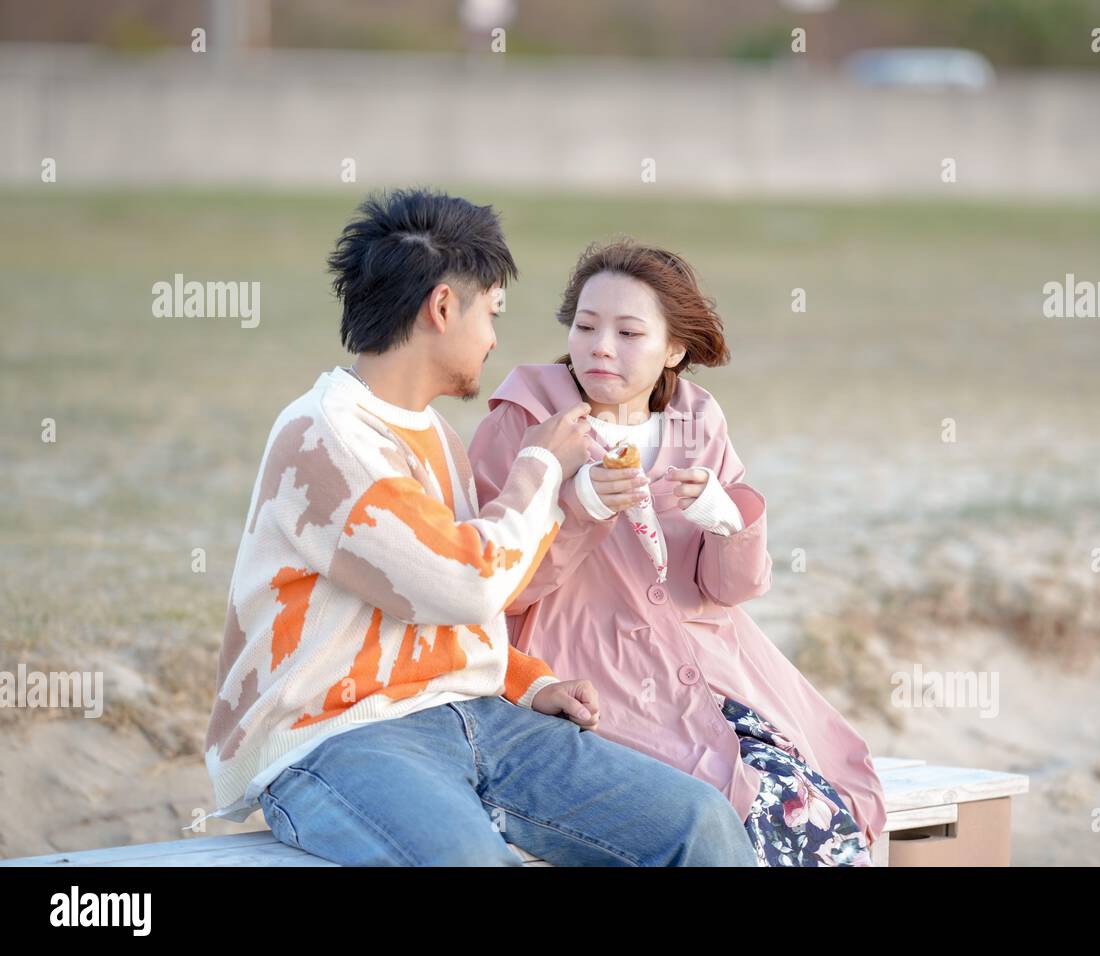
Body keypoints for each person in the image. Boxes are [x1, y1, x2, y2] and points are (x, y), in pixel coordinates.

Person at [196, 190, 758, 867]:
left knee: (699, 823)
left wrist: (526, 681)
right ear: (441, 309)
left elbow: (438, 608)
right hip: (336, 739)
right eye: (491, 313)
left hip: (481, 718)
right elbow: (465, 583)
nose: (495, 338)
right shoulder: (326, 438)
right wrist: (543, 466)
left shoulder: (433, 433)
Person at [468, 239, 887, 866]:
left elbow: (729, 589)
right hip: (588, 671)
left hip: (712, 666)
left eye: (629, 332)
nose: (600, 346)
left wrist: (727, 516)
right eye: (585, 326)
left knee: (803, 797)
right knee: (719, 811)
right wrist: (577, 506)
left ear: (674, 348)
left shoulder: (699, 422)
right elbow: (495, 587)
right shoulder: (524, 422)